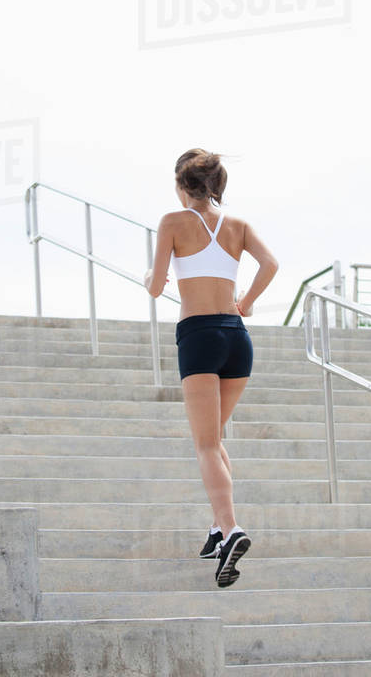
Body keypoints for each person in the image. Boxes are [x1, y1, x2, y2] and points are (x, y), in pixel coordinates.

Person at [142, 148, 279, 588]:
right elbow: (271, 264)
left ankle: (230, 528)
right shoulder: (237, 225)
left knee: (204, 444)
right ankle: (220, 529)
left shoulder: (171, 222)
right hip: (236, 336)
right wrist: (247, 302)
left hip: (199, 336)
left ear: (182, 185)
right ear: (217, 186)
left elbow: (155, 286)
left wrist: (151, 276)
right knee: (215, 440)